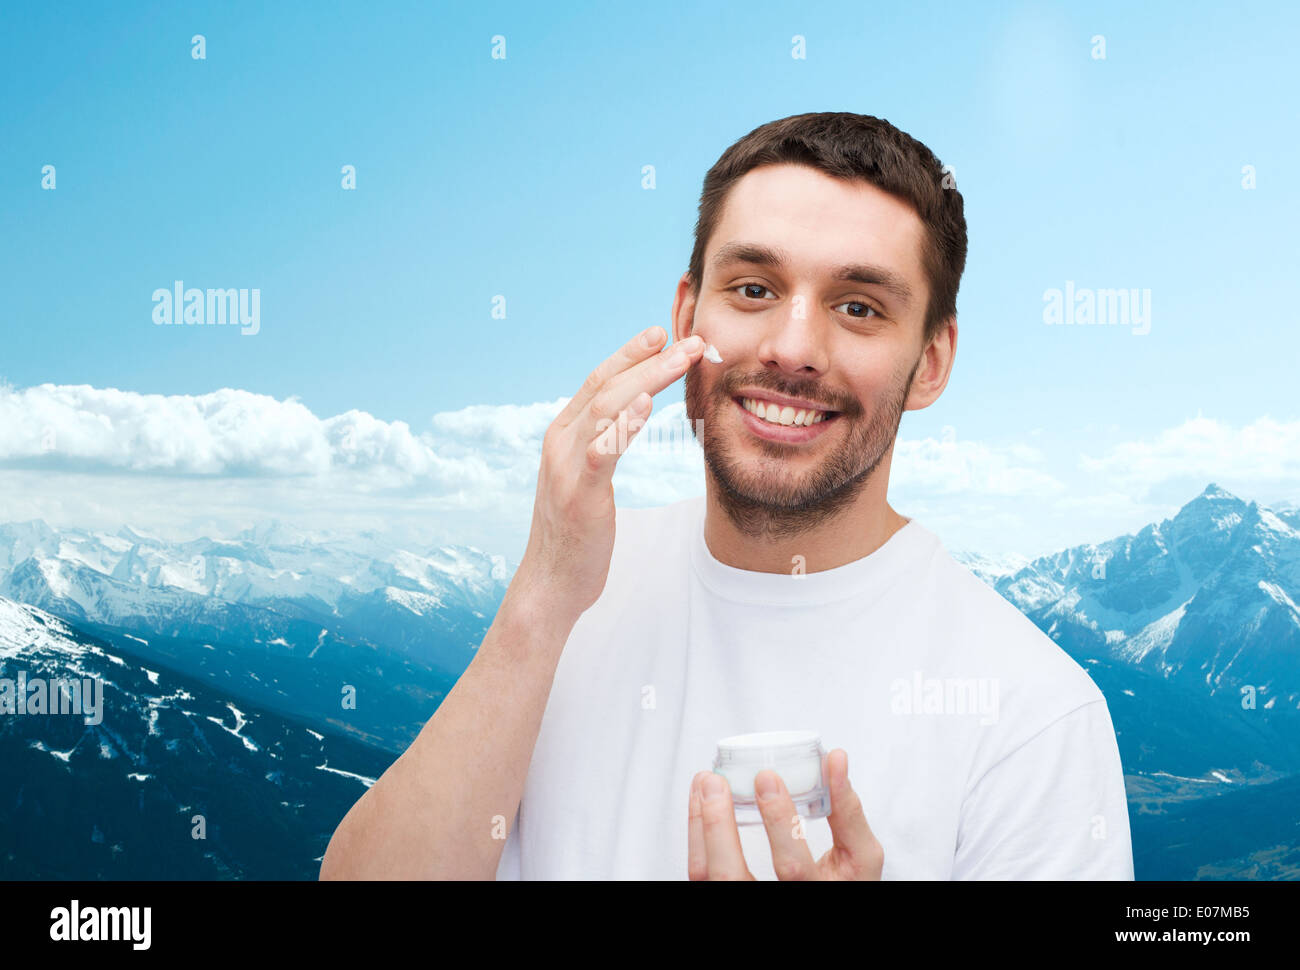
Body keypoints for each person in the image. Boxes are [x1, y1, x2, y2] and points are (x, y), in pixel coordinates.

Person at [319, 111, 1134, 881]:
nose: (792, 348)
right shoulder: (572, 593)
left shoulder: (1035, 717)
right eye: (753, 289)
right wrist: (541, 595)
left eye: (858, 307)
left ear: (930, 362)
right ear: (686, 315)